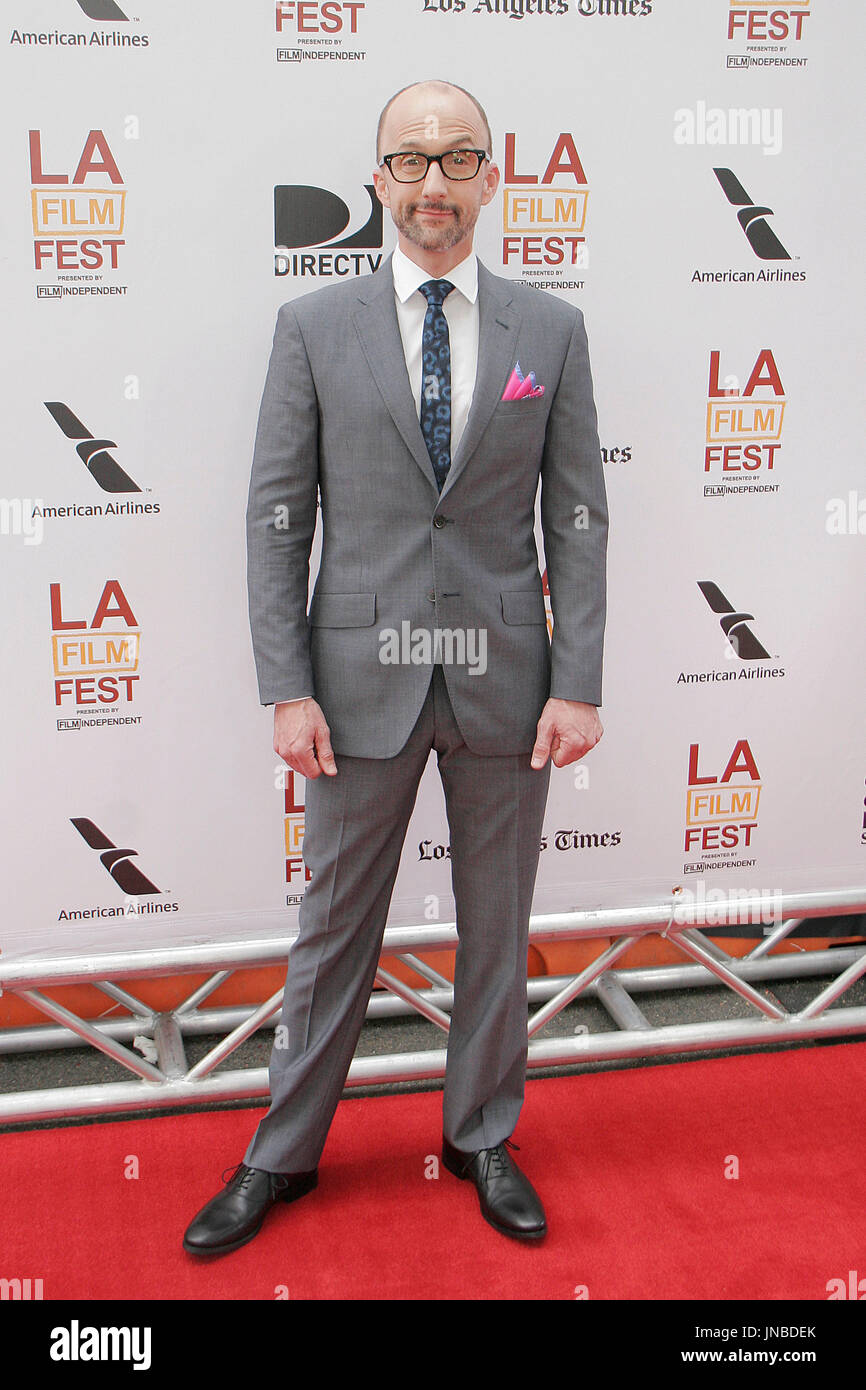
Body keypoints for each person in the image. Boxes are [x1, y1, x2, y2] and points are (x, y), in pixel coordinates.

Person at [183, 78, 608, 1257]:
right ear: (377, 181)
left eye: (456, 158)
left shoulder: (551, 331)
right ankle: (282, 1152)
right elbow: (278, 514)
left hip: (504, 681)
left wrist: (579, 680)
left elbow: (577, 517)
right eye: (410, 161)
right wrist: (285, 685)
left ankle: (481, 1133)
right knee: (331, 930)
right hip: (353, 681)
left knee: (496, 919)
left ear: (491, 174)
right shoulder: (311, 327)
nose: (432, 182)